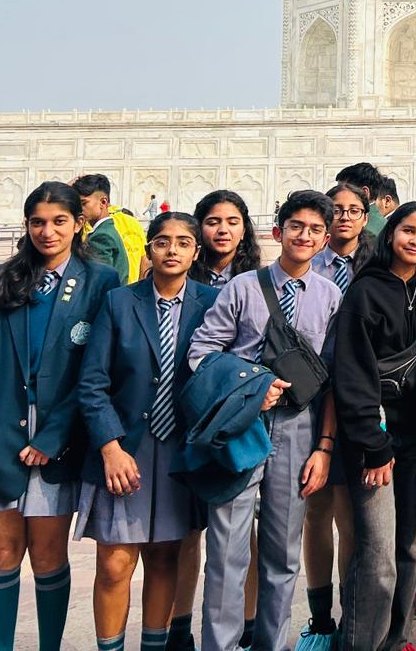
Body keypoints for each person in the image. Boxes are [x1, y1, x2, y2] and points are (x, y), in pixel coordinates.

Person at [0, 181, 121, 651]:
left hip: (61, 436)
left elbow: (97, 369)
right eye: (37, 222)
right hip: (0, 431)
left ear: (78, 224)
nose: (47, 232)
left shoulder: (101, 281)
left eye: (59, 221)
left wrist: (54, 434)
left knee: (48, 556)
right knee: (2, 552)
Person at [189, 190, 342, 651]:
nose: (304, 235)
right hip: (242, 429)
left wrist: (324, 448)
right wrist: (253, 383)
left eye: (315, 230)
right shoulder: (243, 287)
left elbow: (332, 378)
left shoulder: (331, 296)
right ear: (278, 232)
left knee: (281, 554)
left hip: (299, 428)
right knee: (226, 552)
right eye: (296, 226)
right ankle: (220, 645)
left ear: (325, 240)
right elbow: (201, 352)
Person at [76, 212, 219, 651]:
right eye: (161, 242)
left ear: (196, 252)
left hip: (180, 451)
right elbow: (92, 382)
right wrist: (110, 446)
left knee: (164, 559)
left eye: (182, 242)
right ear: (148, 249)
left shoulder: (213, 302)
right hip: (127, 449)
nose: (171, 250)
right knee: (115, 563)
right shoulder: (120, 302)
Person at [334, 201, 416, 651]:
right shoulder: (366, 292)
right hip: (375, 444)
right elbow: (353, 372)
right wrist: (373, 445)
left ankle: (396, 641)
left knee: (412, 549)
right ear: (391, 234)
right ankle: (362, 644)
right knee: (378, 556)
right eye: (408, 231)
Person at [172, 190, 264, 648]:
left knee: (240, 531)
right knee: (188, 529)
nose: (221, 229)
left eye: (231, 220)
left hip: (242, 417)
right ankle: (179, 624)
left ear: (245, 227)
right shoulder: (178, 270)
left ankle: (246, 623)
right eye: (211, 221)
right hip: (190, 413)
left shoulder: (256, 280)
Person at [299, 181, 372, 646]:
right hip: (312, 396)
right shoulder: (308, 264)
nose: (345, 217)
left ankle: (349, 615)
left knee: (351, 514)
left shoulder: (375, 265)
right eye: (337, 212)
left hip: (358, 399)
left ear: (366, 217)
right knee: (316, 509)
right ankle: (319, 616)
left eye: (353, 210)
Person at [191, 189, 263, 288]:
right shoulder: (182, 279)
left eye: (232, 223)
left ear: (243, 231)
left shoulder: (259, 282)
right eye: (213, 223)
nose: (223, 230)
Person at [73, 174, 131, 284]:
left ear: (103, 202)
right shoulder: (105, 231)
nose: (79, 209)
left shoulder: (102, 236)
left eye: (83, 203)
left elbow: (98, 282)